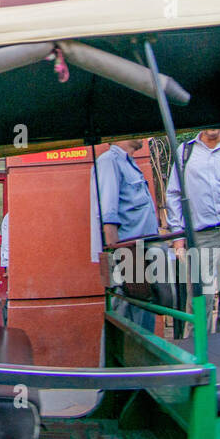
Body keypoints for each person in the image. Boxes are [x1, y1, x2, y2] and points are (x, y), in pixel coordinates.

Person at [166, 129, 220, 332]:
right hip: (200, 236)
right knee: (200, 301)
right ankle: (199, 355)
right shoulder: (185, 151)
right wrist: (178, 237)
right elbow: (173, 194)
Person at [91, 138, 160, 330]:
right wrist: (119, 266)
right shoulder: (109, 161)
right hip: (129, 258)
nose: (142, 136)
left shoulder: (129, 163)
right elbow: (108, 217)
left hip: (142, 257)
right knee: (127, 329)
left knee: (143, 325)